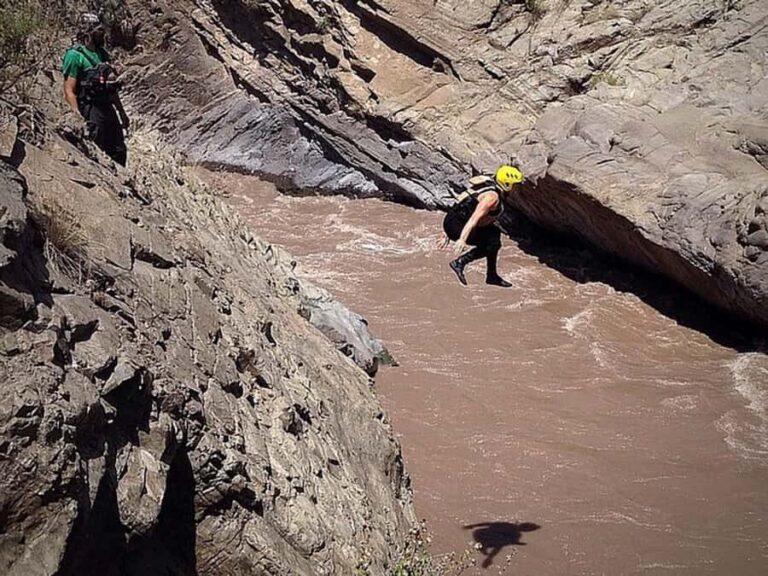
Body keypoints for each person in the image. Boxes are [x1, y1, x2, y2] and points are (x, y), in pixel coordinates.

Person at [61, 13, 129, 166]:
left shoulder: (102, 54)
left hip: (106, 105)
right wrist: (76, 114)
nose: (102, 34)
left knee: (119, 150)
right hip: (90, 107)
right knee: (98, 145)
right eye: (98, 31)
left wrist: (121, 112)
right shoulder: (74, 56)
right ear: (88, 32)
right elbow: (69, 90)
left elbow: (111, 88)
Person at [440, 165, 524, 287]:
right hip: (457, 226)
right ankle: (460, 262)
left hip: (452, 221)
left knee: (494, 233)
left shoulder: (488, 183)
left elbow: (462, 202)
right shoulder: (492, 198)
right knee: (492, 244)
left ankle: (492, 275)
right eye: (514, 185)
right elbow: (474, 217)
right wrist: (461, 239)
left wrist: (445, 231)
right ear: (507, 184)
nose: (516, 188)